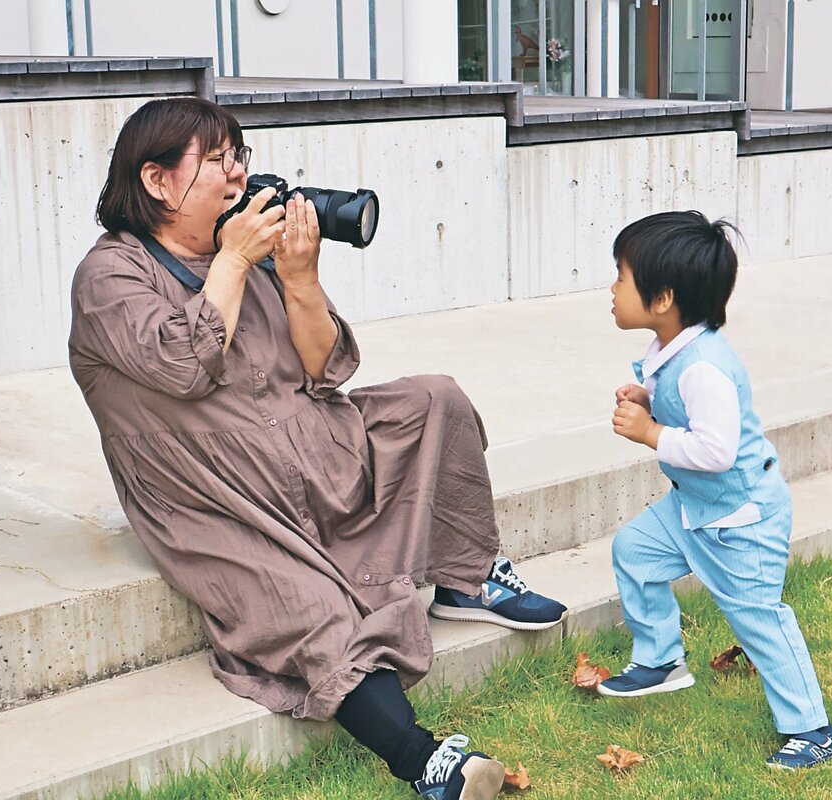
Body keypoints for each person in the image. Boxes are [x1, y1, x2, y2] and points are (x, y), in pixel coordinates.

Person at [68, 97, 566, 799]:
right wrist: (237, 259)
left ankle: (465, 577)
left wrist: (299, 278)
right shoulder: (111, 277)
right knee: (310, 607)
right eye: (217, 161)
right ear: (156, 182)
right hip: (224, 500)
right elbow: (182, 364)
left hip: (318, 454)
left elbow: (326, 368)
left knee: (433, 399)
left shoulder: (244, 251)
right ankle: (427, 763)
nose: (238, 175)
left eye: (239, 155)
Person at [597, 210, 832, 770]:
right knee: (634, 551)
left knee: (760, 617)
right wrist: (648, 399)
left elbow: (717, 451)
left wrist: (651, 432)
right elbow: (687, 415)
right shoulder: (676, 350)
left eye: (620, 275)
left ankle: (814, 729)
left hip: (740, 518)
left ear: (661, 298)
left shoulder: (704, 367)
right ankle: (661, 660)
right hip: (693, 507)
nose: (611, 288)